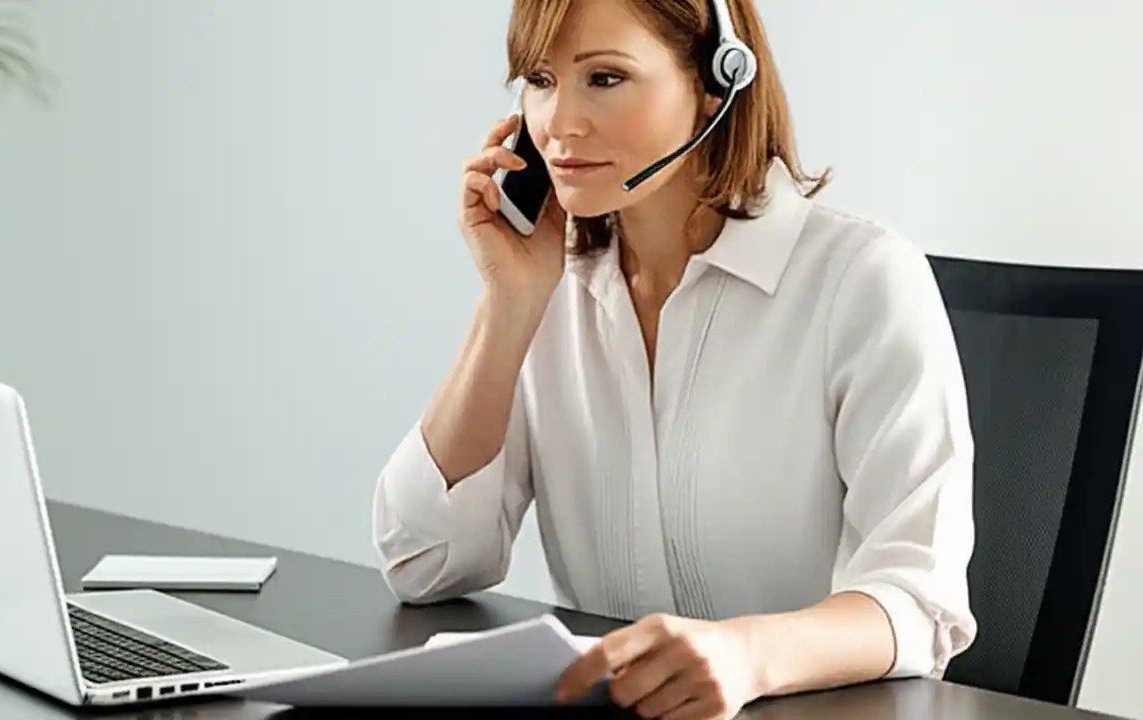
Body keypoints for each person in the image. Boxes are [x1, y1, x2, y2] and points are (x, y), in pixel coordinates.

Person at [372, 0, 977, 717]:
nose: (559, 122)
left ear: (717, 80)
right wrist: (508, 305)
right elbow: (423, 560)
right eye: (539, 78)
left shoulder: (862, 280)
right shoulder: (553, 291)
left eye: (604, 77)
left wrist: (746, 655)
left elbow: (919, 600)